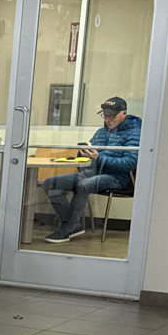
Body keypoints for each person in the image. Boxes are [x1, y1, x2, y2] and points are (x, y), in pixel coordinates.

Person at [41, 96, 140, 243]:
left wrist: (98, 158)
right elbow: (88, 156)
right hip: (91, 173)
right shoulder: (101, 132)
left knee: (84, 185)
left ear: (124, 114)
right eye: (105, 116)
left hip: (118, 178)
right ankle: (72, 224)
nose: (108, 120)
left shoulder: (134, 133)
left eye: (112, 116)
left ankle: (67, 229)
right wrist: (82, 152)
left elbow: (129, 163)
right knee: (50, 183)